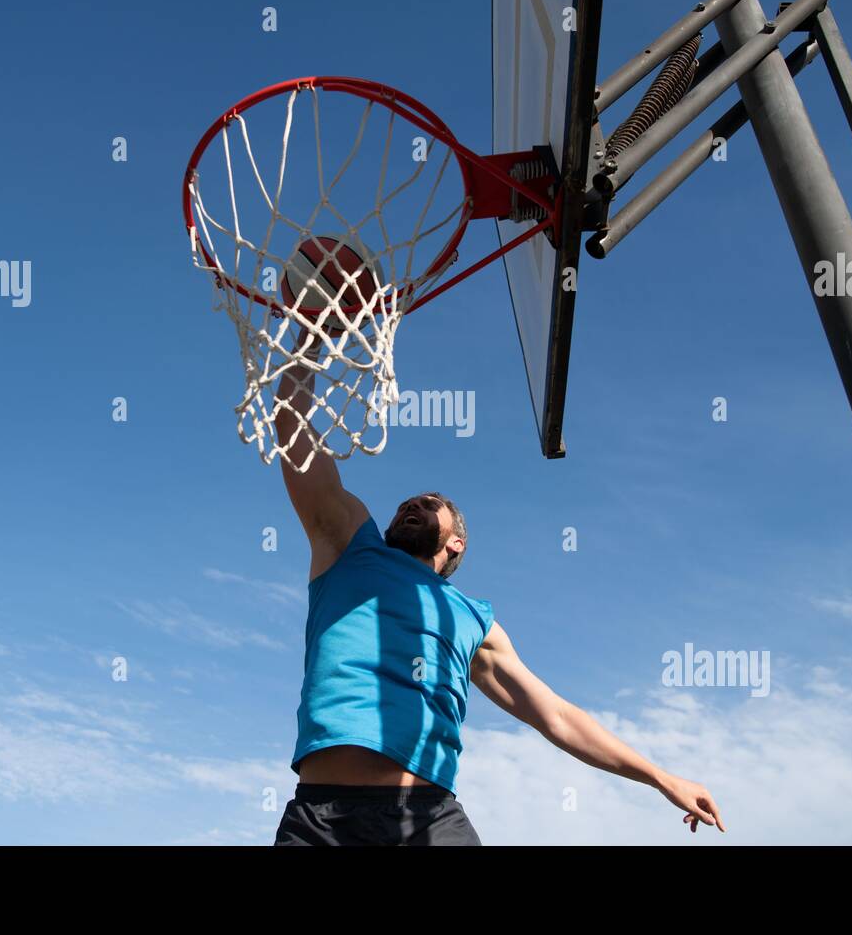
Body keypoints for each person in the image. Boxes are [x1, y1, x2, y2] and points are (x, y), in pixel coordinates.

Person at [272, 327, 724, 845]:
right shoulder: (350, 546)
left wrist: (661, 777)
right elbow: (299, 442)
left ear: (457, 542)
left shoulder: (473, 619)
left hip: (427, 815)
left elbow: (556, 715)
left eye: (428, 502)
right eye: (406, 503)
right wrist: (306, 343)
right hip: (321, 818)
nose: (411, 505)